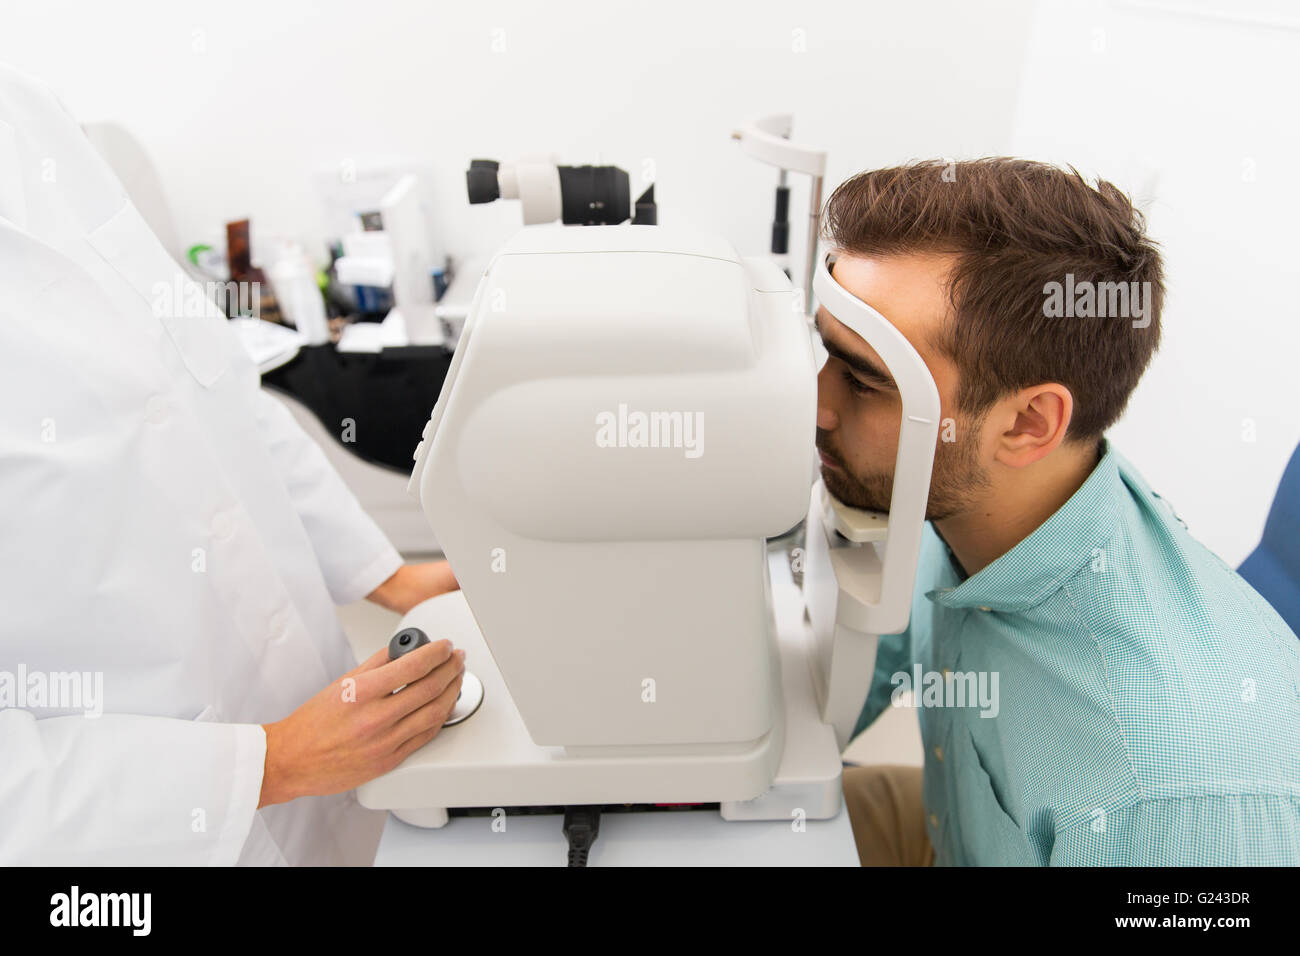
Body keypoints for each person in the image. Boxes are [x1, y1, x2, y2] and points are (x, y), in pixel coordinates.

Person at [0, 63, 464, 866]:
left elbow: (206, 380)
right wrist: (269, 764)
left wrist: (387, 576)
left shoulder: (24, 111)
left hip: (325, 751)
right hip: (133, 844)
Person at [817, 159, 1300, 865]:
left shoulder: (1173, 791)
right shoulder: (968, 495)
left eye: (862, 381)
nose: (816, 403)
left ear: (1027, 425)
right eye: (826, 354)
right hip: (954, 828)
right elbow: (840, 679)